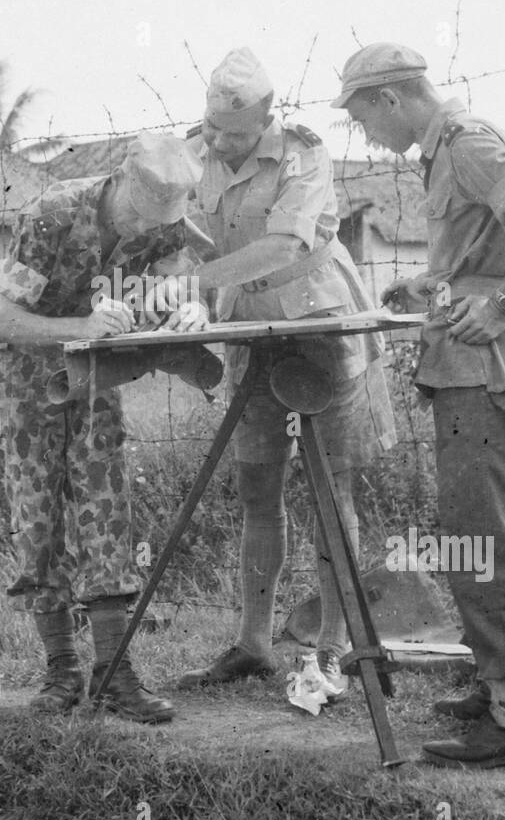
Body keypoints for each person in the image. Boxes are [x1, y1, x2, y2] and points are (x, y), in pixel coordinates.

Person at [332, 41, 505, 769]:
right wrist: (436, 285)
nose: (368, 135)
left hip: (488, 369)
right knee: (474, 528)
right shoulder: (442, 154)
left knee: (490, 535)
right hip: (470, 369)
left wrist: (499, 306)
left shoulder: (465, 143)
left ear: (390, 100)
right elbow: (482, 251)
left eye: (363, 118)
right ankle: (499, 682)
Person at [170, 47, 399, 694]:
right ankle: (253, 642)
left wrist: (202, 281)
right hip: (249, 330)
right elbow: (177, 225)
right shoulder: (200, 149)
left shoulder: (304, 154)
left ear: (268, 117)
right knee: (255, 488)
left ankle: (331, 648)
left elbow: (285, 244)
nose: (218, 142)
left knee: (332, 493)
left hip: (317, 324)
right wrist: (184, 279)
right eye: (211, 128)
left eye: (233, 134)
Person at [0, 132, 210, 723]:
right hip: (30, 376)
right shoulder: (52, 214)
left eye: (157, 219)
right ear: (119, 179)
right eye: (138, 213)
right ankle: (61, 672)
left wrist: (191, 309)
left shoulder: (164, 222)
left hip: (95, 377)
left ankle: (114, 675)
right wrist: (80, 324)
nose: (145, 229)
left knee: (106, 509)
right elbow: (4, 322)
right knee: (38, 518)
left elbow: (177, 280)